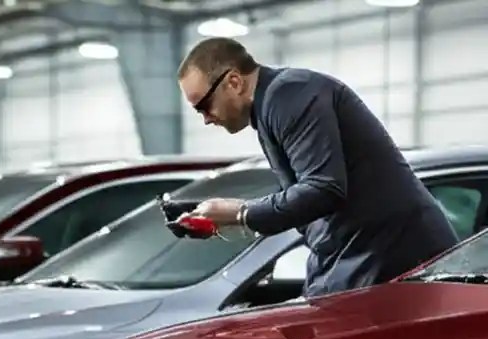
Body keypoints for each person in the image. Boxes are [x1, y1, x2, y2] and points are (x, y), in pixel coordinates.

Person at [176, 38, 457, 297]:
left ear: (234, 82)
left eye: (204, 105)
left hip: (395, 259)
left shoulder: (289, 94)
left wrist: (241, 213)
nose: (206, 119)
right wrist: (232, 217)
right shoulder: (272, 105)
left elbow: (323, 190)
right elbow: (314, 207)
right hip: (364, 258)